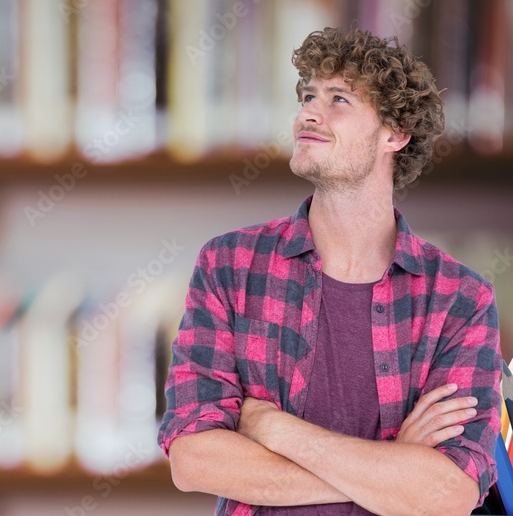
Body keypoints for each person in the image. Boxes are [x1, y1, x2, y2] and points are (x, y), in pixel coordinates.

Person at [158, 27, 503, 515]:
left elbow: (448, 493)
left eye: (338, 98)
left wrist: (279, 431)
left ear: (394, 133)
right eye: (307, 96)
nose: (308, 114)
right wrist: (393, 468)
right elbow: (194, 460)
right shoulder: (229, 266)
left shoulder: (460, 299)